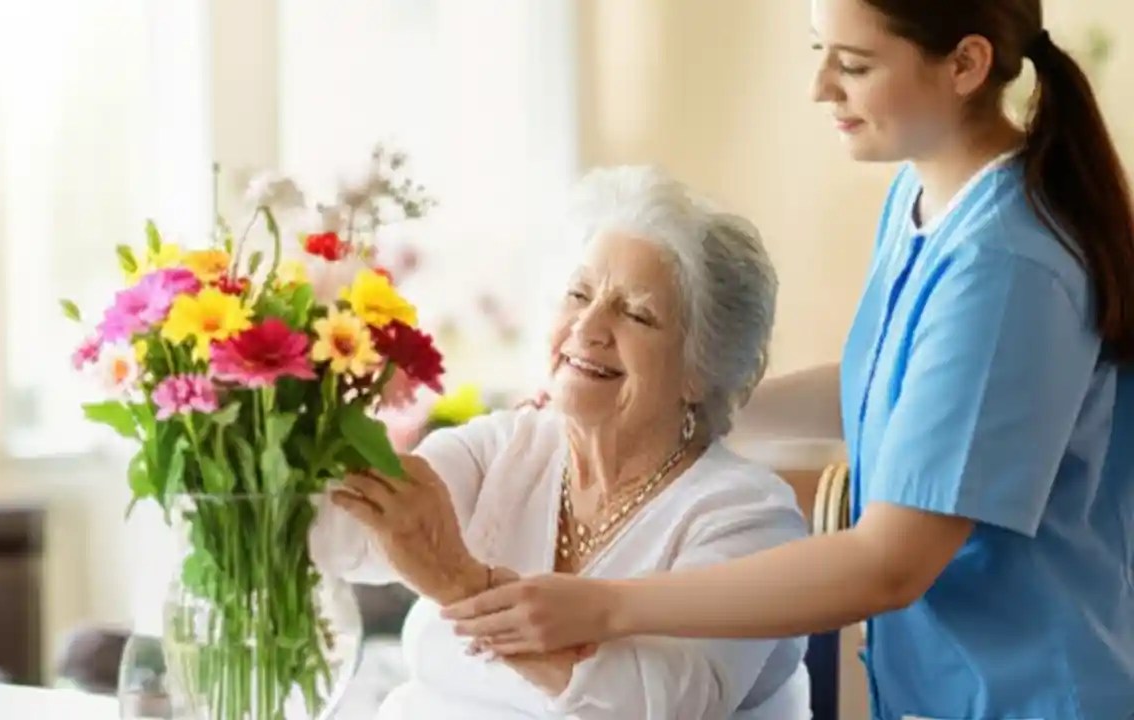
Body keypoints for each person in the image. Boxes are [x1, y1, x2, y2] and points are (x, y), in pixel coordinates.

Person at [442, 1, 1134, 718]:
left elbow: (887, 565)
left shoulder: (1006, 265)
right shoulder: (923, 199)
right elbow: (888, 391)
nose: (821, 87)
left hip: (1031, 693)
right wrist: (672, 398)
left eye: (855, 65)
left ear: (965, 64)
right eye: (819, 51)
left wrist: (609, 606)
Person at [310, 165, 813, 719]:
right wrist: (258, 407)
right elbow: (347, 541)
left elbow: (662, 705)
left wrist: (460, 583)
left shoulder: (744, 516)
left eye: (637, 314)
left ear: (700, 370)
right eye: (579, 293)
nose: (588, 326)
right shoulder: (505, 447)